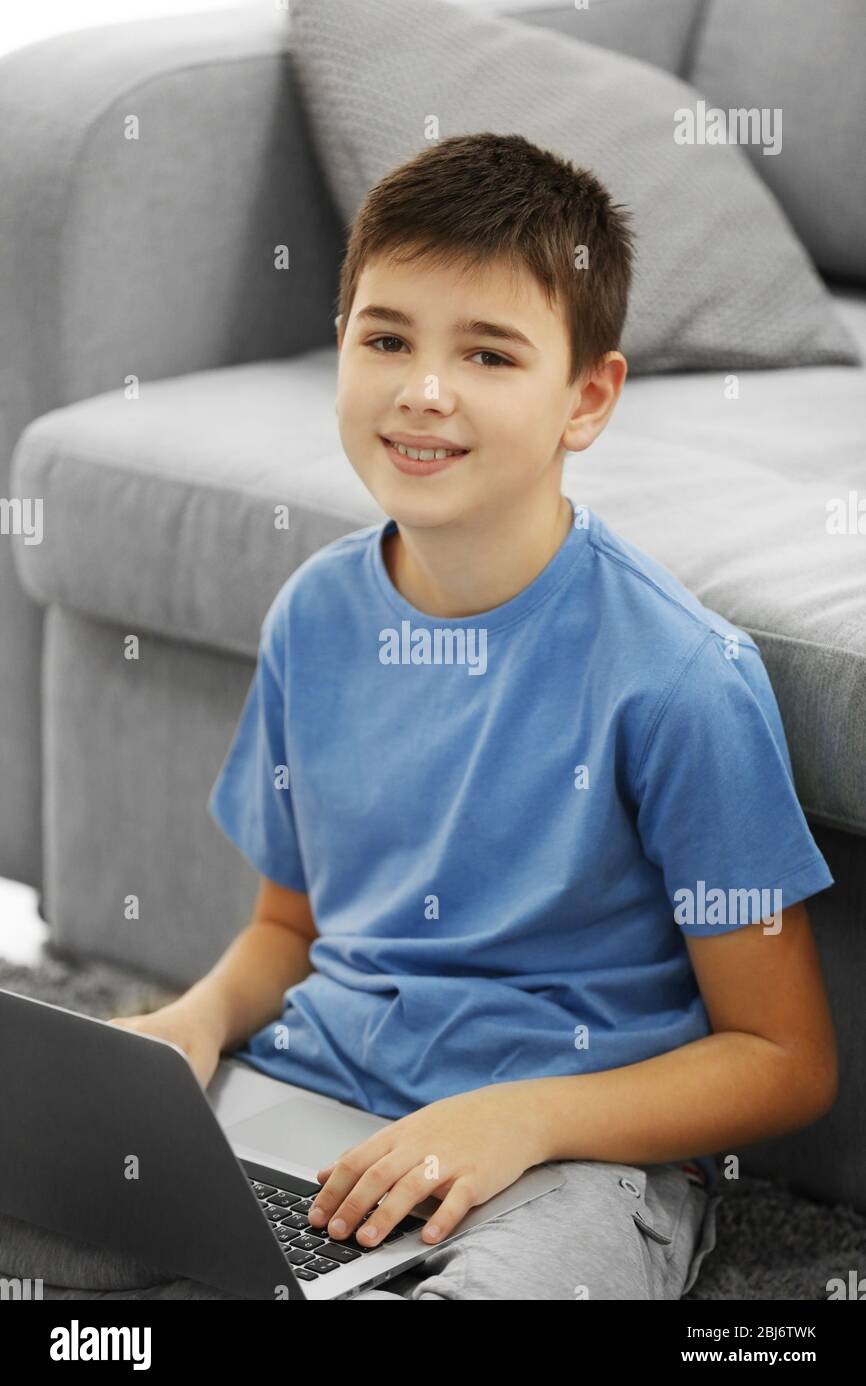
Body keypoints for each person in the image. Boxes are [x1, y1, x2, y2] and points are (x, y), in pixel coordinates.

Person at [1, 132, 837, 1301]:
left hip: (563, 1161)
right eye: (385, 337)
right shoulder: (314, 616)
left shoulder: (680, 677)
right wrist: (190, 1026)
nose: (422, 389)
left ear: (585, 397)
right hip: (313, 1099)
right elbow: (288, 933)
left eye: (488, 354)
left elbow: (783, 1060)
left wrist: (519, 1118)